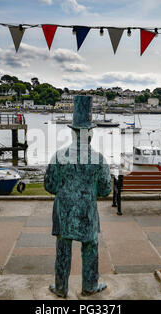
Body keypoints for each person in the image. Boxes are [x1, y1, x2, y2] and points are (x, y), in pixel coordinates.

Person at [44, 95, 111, 298]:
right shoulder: (98, 159)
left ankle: (61, 288)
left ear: (73, 134)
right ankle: (90, 285)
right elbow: (106, 189)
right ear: (90, 133)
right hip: (87, 211)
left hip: (63, 211)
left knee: (62, 250)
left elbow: (49, 185)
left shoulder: (58, 156)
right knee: (90, 248)